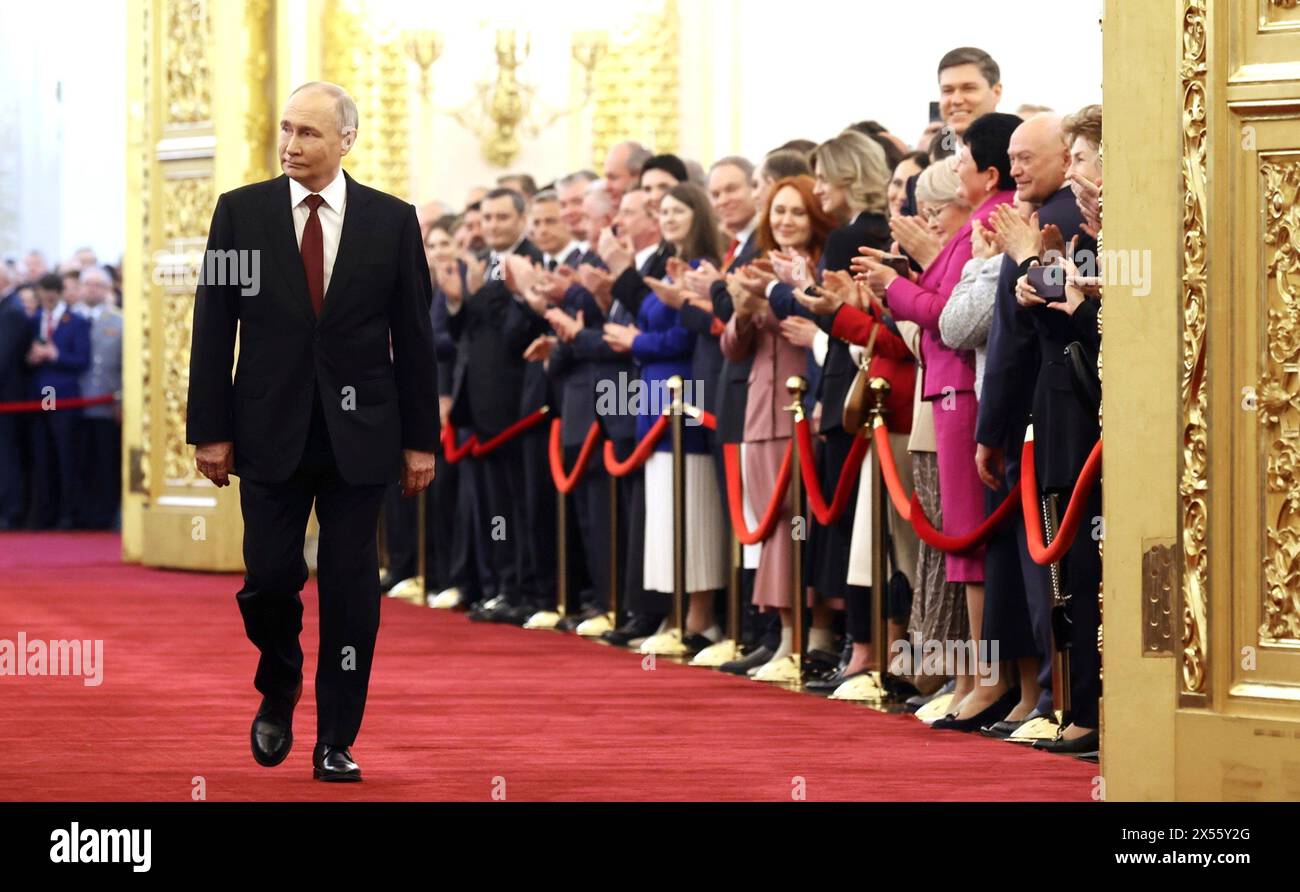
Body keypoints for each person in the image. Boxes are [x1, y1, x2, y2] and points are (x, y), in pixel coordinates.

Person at [186, 81, 439, 782]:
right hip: (267, 429)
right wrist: (210, 428)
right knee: (269, 580)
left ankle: (337, 738)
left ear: (346, 141)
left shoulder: (392, 222)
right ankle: (280, 680)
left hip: (362, 436)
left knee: (353, 589)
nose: (291, 144)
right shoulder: (241, 214)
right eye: (287, 130)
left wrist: (423, 440)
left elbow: (415, 339)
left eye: (309, 134)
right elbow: (214, 326)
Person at [857, 135, 1016, 730]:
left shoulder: (986, 221)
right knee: (960, 547)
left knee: (971, 542)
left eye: (966, 163)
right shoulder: (973, 224)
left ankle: (987, 679)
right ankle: (972, 677)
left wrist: (897, 286)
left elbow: (950, 317)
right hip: (949, 390)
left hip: (963, 390)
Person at [977, 113, 1100, 753]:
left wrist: (1034, 263)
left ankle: (1076, 708)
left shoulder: (1070, 225)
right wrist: (1041, 273)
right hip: (1057, 420)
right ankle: (1068, 706)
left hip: (1084, 421)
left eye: (1081, 159)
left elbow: (1089, 321)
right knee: (1066, 572)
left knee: (1081, 568)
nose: (1075, 175)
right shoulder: (1063, 225)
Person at [603, 183, 727, 651]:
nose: (670, 217)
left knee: (690, 507)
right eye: (665, 211)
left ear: (698, 214)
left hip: (684, 394)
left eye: (679, 210)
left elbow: (681, 338)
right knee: (664, 515)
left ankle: (700, 619)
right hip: (653, 399)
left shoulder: (699, 268)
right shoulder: (666, 264)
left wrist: (635, 341)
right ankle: (674, 616)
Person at [720, 175, 835, 674]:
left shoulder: (824, 268)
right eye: (779, 212)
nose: (786, 221)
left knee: (802, 522)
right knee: (773, 528)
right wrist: (744, 312)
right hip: (760, 410)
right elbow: (733, 348)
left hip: (804, 406)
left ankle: (815, 638)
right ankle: (786, 634)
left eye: (797, 212)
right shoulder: (756, 267)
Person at [25, 273, 91, 530]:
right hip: (38, 399)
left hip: (64, 399)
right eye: (44, 290)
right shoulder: (33, 322)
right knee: (41, 457)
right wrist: (32, 359)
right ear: (39, 292)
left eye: (53, 290)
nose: (49, 295)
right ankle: (44, 513)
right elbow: (23, 361)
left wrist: (55, 355)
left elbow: (82, 361)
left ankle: (68, 514)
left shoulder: (77, 322)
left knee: (66, 457)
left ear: (61, 292)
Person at [75, 266, 123, 530]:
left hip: (106, 404)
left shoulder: (119, 321)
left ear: (107, 289)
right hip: (75, 404)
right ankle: (82, 514)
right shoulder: (70, 318)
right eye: (88, 284)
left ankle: (105, 514)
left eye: (98, 285)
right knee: (81, 462)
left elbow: (127, 365)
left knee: (106, 463)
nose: (92, 289)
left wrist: (122, 400)